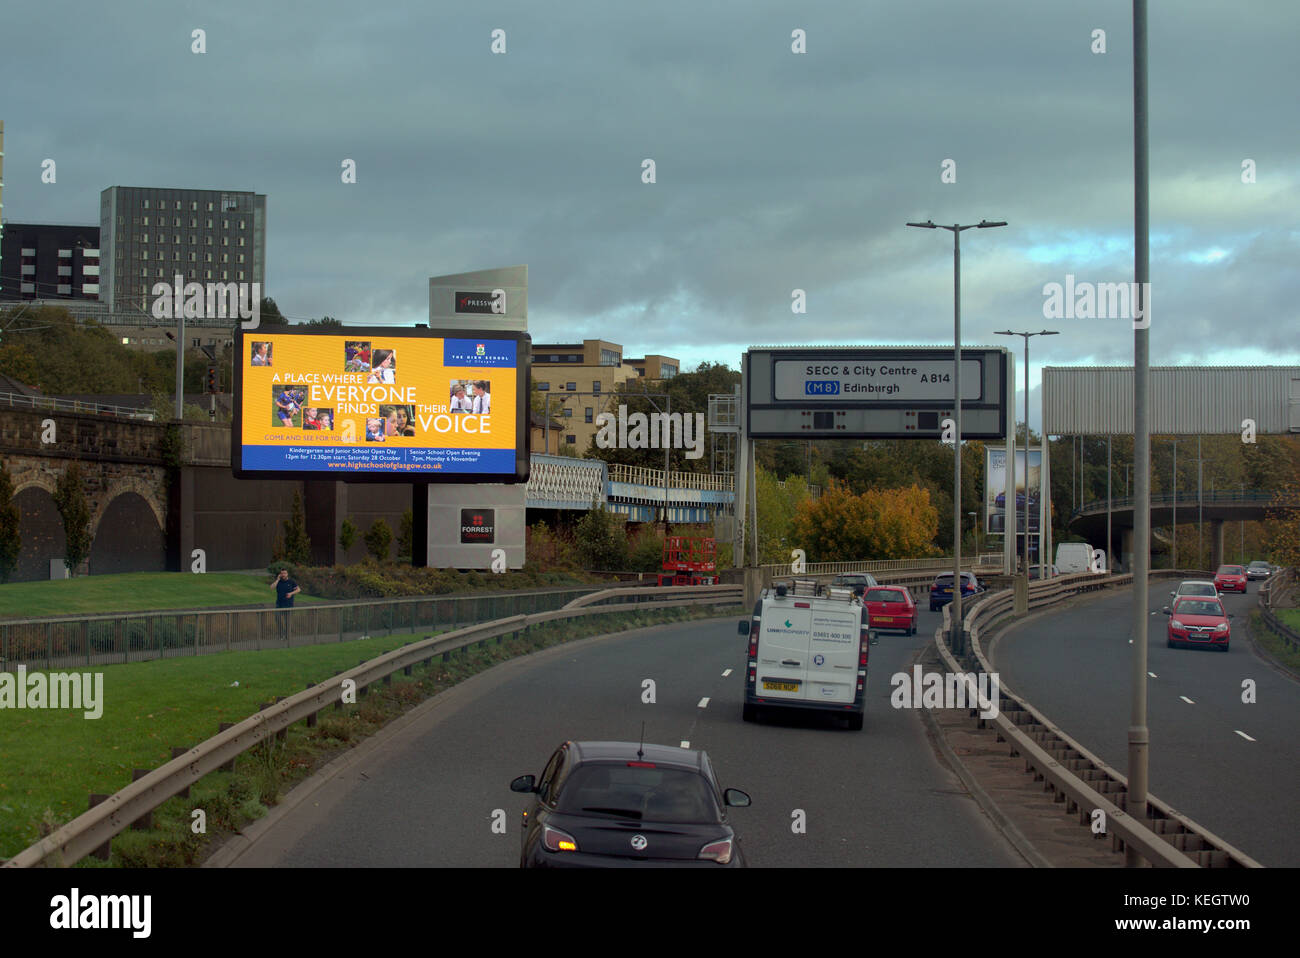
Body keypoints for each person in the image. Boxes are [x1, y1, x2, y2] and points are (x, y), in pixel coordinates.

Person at [273, 568, 300, 642]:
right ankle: (282, 634)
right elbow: (272, 587)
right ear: (280, 574)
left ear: (287, 574)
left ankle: (287, 636)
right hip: (279, 604)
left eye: (284, 573)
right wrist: (277, 579)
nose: (283, 575)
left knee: (287, 621)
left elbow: (298, 589)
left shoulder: (291, 582)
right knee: (277, 619)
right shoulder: (279, 582)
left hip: (288, 605)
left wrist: (291, 593)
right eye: (282, 573)